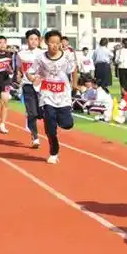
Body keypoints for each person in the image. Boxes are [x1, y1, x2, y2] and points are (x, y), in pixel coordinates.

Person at [27, 30, 78, 164]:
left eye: (57, 43)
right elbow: (30, 72)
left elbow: (74, 70)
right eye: (51, 43)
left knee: (67, 124)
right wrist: (33, 79)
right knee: (50, 127)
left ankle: (59, 120)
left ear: (60, 43)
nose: (54, 46)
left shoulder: (67, 57)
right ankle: (53, 152)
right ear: (46, 43)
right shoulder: (40, 58)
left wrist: (75, 85)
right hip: (47, 95)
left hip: (63, 96)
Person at [15, 29, 43, 148]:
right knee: (32, 113)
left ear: (39, 40)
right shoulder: (21, 54)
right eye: (31, 39)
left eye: (36, 39)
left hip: (42, 86)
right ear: (27, 40)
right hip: (28, 85)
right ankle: (35, 136)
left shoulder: (43, 54)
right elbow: (19, 69)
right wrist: (18, 75)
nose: (33, 41)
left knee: (41, 113)